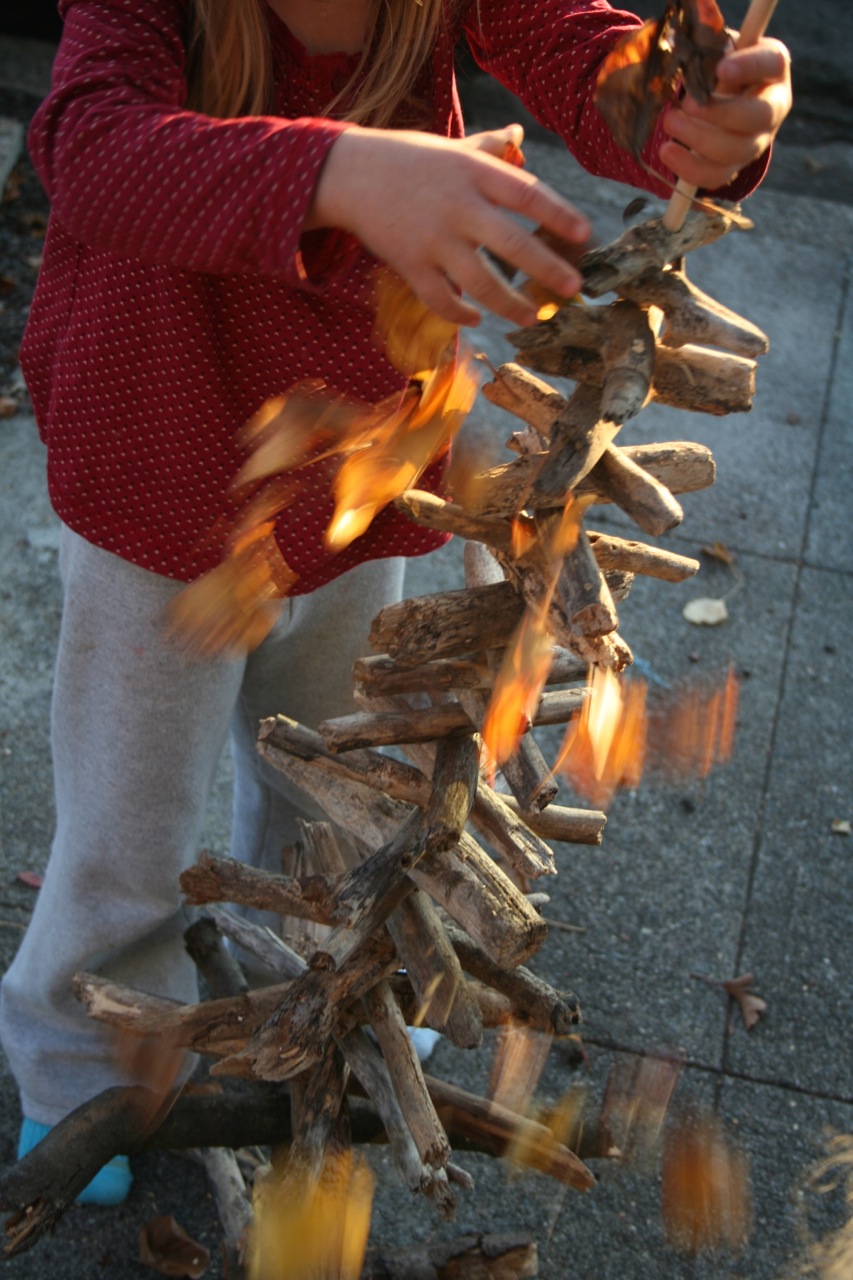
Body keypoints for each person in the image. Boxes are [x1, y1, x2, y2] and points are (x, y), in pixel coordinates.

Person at [0, 0, 791, 1206]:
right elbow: (93, 147)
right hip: (157, 475)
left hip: (361, 463)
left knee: (344, 779)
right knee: (130, 824)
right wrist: (339, 172)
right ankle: (82, 1062)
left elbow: (578, 51)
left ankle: (329, 996)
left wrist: (693, 111)